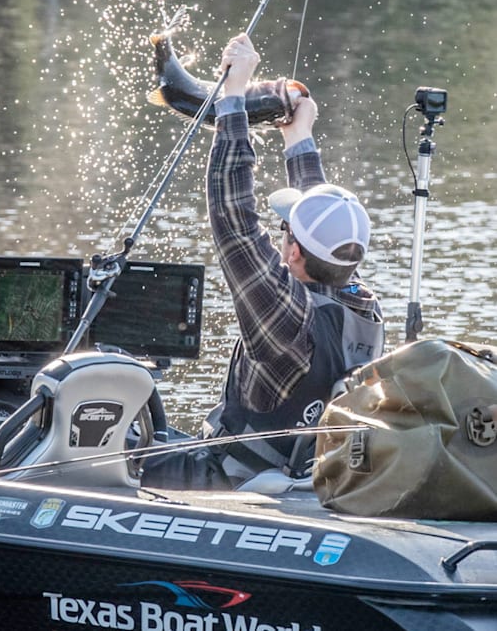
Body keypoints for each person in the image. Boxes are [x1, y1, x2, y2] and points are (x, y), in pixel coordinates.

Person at [141, 33, 384, 490]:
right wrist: (299, 140)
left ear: (293, 252)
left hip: (230, 482)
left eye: (286, 230)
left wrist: (234, 97)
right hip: (300, 476)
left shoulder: (286, 318)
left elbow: (233, 217)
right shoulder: (361, 305)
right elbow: (320, 228)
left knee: (111, 460)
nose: (281, 238)